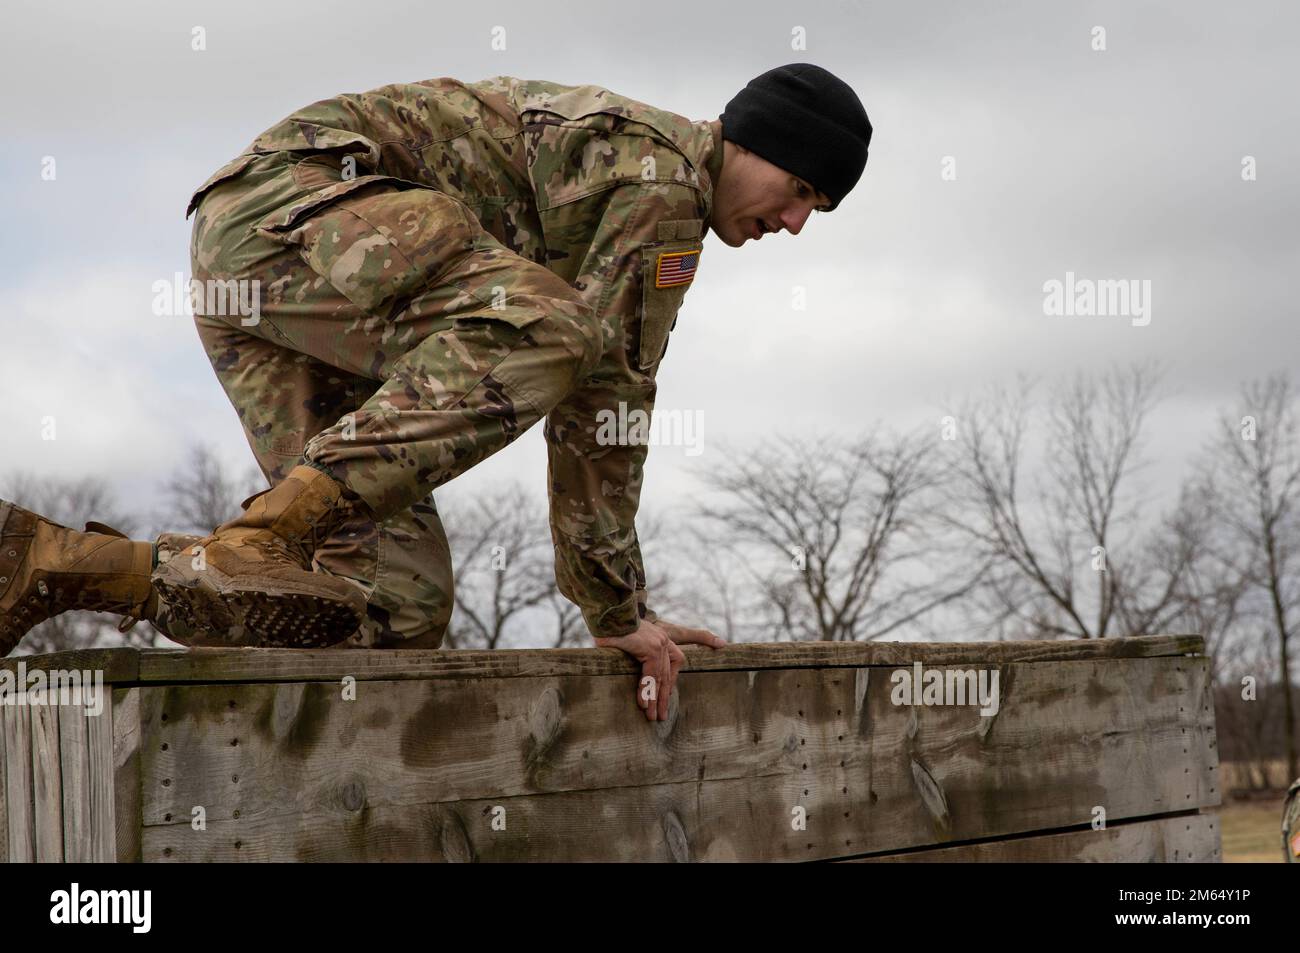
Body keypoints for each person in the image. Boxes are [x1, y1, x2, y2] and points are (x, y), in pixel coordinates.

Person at [0, 64, 872, 720]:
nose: (791, 222)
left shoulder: (660, 191)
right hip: (301, 211)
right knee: (557, 329)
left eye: (815, 211)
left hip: (275, 278)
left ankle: (59, 566)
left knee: (398, 607)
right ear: (748, 143)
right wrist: (617, 611)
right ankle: (269, 532)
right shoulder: (663, 178)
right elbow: (604, 409)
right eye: (795, 188)